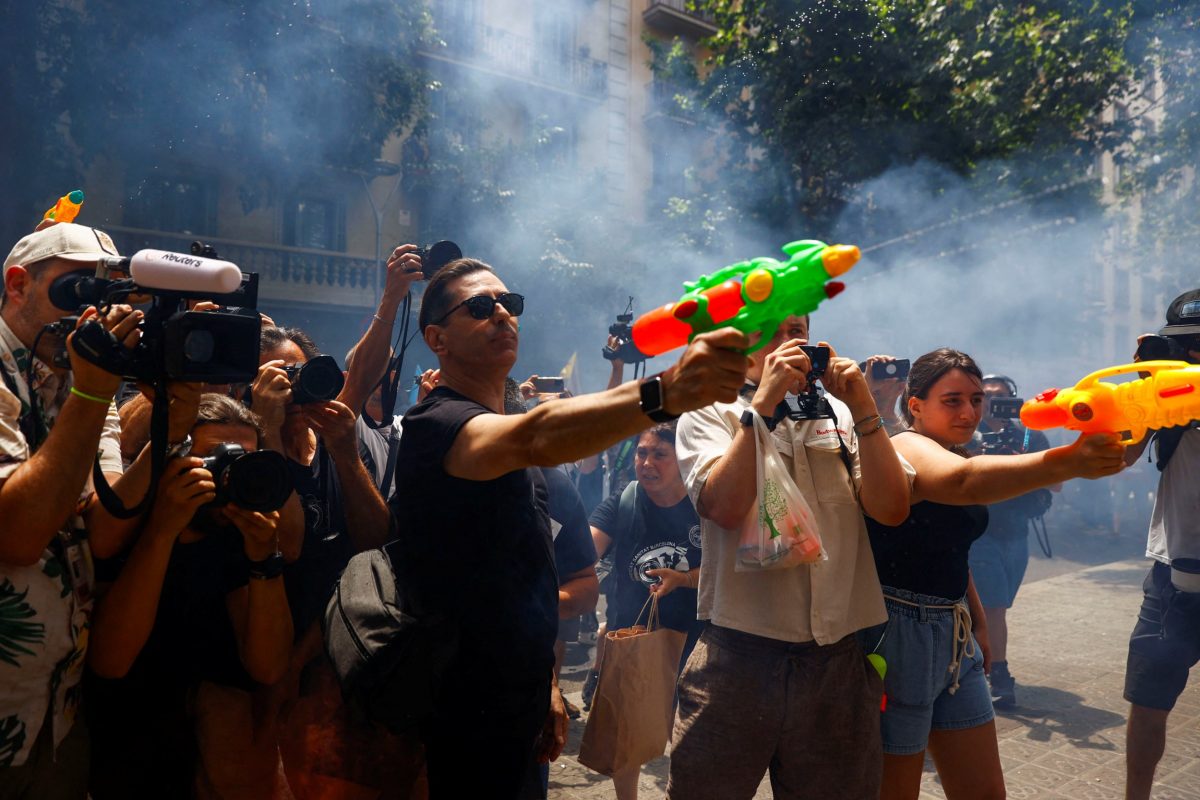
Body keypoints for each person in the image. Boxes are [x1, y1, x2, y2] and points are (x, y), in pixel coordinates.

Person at [390, 256, 748, 799]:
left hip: (518, 699)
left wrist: (548, 684)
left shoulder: (518, 451)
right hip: (458, 705)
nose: (502, 315)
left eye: (510, 304)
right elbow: (536, 436)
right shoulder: (434, 423)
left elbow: (527, 586)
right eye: (480, 307)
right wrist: (667, 393)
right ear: (437, 339)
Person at [668, 314, 913, 800]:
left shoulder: (839, 413)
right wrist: (762, 408)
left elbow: (892, 509)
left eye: (796, 331)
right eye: (769, 331)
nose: (787, 344)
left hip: (836, 661)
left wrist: (865, 407)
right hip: (737, 657)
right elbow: (722, 507)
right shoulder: (710, 409)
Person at [865, 348, 1124, 800]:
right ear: (916, 405)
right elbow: (965, 481)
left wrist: (978, 622)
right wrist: (1069, 460)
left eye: (975, 400)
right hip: (898, 639)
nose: (969, 412)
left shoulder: (957, 450)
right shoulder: (904, 446)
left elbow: (952, 550)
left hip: (955, 634)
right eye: (952, 401)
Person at [0, 222, 151, 797]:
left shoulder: (82, 379)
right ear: (18, 284)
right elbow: (17, 537)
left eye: (107, 294)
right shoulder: (84, 384)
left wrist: (175, 420)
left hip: (57, 712)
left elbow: (103, 530)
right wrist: (90, 393)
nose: (93, 311)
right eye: (77, 288)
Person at [86, 394, 294, 797]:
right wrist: (163, 529)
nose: (230, 475)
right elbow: (111, 661)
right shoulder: (121, 527)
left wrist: (265, 559)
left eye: (245, 459)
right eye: (216, 459)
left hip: (213, 756)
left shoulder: (236, 535)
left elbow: (268, 667)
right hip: (128, 749)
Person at [588, 420, 703, 800]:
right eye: (642, 453)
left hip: (692, 641)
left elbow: (727, 569)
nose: (647, 463)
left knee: (687, 736)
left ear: (682, 459)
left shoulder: (703, 505)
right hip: (632, 638)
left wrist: (683, 579)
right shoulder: (624, 501)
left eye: (659, 455)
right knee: (627, 736)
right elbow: (586, 550)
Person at [1120, 288, 1200, 800]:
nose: (1192, 354)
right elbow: (1119, 457)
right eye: (1184, 345)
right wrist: (1139, 394)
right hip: (1174, 580)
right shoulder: (1166, 398)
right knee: (1148, 702)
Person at [966, 373, 1055, 708]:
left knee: (996, 607)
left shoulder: (1030, 436)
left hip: (1017, 535)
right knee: (994, 608)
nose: (993, 402)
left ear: (1013, 399)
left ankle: (975, 661)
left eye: (1000, 396)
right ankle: (998, 674)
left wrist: (1023, 463)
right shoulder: (967, 434)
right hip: (980, 535)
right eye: (986, 396)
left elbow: (1056, 483)